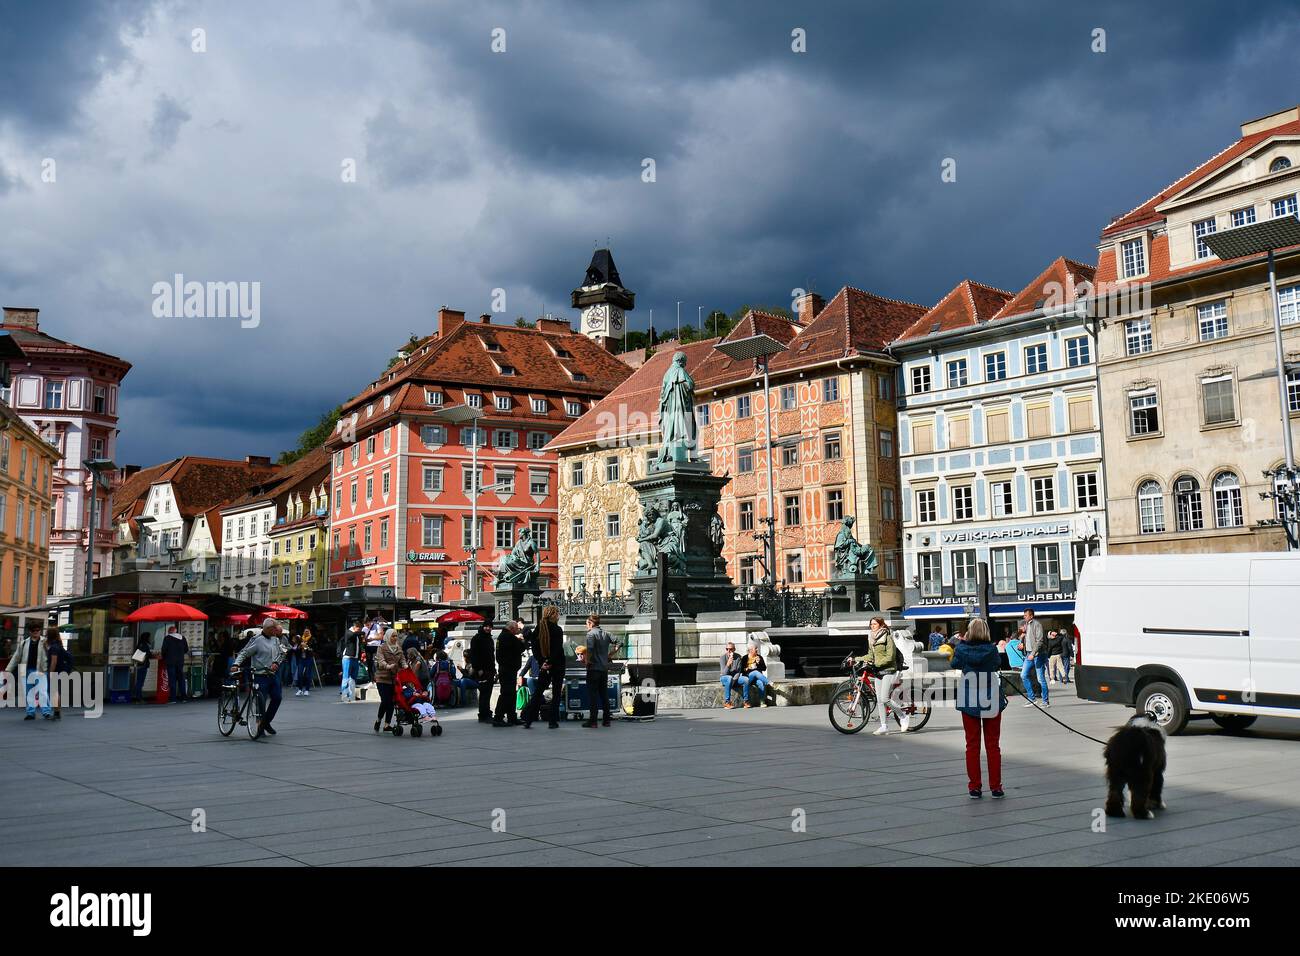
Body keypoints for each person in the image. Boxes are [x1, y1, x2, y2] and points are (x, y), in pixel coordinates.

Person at [952, 617, 1006, 799]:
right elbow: (997, 664)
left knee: (972, 745)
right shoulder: (991, 649)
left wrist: (963, 642)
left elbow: (954, 664)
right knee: (993, 745)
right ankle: (996, 787)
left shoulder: (961, 648)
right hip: (989, 696)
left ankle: (974, 787)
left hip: (969, 697)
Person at [230, 619, 286, 738]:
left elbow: (280, 654)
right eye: (275, 629)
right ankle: (260, 725)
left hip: (273, 674)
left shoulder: (276, 640)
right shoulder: (257, 640)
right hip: (260, 675)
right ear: (269, 629)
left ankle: (266, 722)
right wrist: (236, 664)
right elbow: (244, 653)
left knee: (277, 698)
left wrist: (277, 662)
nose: (276, 631)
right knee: (261, 701)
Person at [521, 605, 566, 730]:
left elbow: (534, 646)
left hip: (543, 666)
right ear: (553, 615)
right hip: (557, 664)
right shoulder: (557, 629)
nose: (558, 616)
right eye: (557, 613)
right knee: (556, 693)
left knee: (538, 692)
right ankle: (552, 721)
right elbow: (557, 649)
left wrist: (542, 662)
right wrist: (550, 661)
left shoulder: (540, 627)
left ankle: (528, 719)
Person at [861, 617, 908, 735]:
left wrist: (877, 663)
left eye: (875, 624)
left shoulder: (887, 637)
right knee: (879, 700)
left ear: (881, 625)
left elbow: (890, 656)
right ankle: (884, 726)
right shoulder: (871, 638)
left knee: (884, 698)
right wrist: (857, 659)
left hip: (888, 670)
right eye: (871, 624)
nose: (872, 626)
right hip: (878, 671)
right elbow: (870, 655)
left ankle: (903, 716)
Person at [6, 625, 51, 720]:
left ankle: (46, 712)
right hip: (26, 670)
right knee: (29, 693)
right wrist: (8, 669)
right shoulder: (23, 643)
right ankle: (31, 712)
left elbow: (51, 654)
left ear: (40, 631)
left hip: (41, 670)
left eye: (38, 630)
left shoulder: (45, 642)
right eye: (33, 630)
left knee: (43, 692)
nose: (36, 632)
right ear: (30, 632)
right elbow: (16, 657)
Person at [581, 613, 618, 728]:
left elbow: (590, 649)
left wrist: (587, 661)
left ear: (591, 623)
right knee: (604, 694)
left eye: (587, 623)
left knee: (593, 695)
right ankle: (606, 720)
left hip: (593, 668)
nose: (586, 625)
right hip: (603, 668)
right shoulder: (606, 633)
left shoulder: (590, 634)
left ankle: (593, 721)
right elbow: (619, 642)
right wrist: (611, 654)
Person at [493, 620, 527, 727]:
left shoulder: (502, 636)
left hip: (506, 669)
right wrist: (522, 640)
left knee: (511, 694)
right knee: (507, 694)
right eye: (517, 628)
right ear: (511, 628)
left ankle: (511, 716)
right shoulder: (509, 637)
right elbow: (521, 647)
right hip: (508, 670)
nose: (518, 630)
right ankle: (498, 717)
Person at [373, 629, 404, 734]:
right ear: (388, 637)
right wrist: (387, 666)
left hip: (393, 679)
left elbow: (402, 659)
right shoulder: (381, 648)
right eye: (393, 636)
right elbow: (380, 660)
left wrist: (405, 665)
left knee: (391, 702)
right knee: (385, 701)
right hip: (382, 678)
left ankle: (387, 725)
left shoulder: (399, 648)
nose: (395, 638)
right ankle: (378, 720)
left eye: (396, 636)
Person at [1019, 609, 1049, 707]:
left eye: (1026, 615)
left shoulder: (1037, 624)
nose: (1024, 617)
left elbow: (1039, 641)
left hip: (1038, 655)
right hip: (1029, 654)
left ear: (1031, 616)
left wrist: (1033, 653)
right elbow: (1029, 640)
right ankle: (1032, 698)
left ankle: (1045, 701)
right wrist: (1022, 646)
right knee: (1023, 675)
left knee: (1040, 679)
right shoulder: (1027, 625)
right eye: (1024, 615)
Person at [468, 624, 497, 723]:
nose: (488, 628)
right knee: (484, 693)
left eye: (490, 626)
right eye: (486, 626)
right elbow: (474, 655)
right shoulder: (477, 638)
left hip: (490, 669)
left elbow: (491, 656)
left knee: (487, 693)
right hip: (482, 671)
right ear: (482, 627)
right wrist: (478, 668)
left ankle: (486, 713)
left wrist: (494, 669)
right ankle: (483, 714)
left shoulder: (489, 638)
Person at [735, 639, 770, 709]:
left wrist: (759, 663)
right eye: (755, 649)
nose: (757, 650)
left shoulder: (759, 657)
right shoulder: (744, 658)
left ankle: (762, 701)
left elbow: (764, 668)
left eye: (757, 648)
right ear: (750, 650)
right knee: (755, 672)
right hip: (748, 678)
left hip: (757, 678)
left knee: (760, 683)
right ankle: (768, 682)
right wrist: (748, 668)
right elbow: (741, 670)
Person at [161, 625, 190, 703]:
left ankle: (173, 698)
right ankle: (183, 697)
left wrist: (164, 657)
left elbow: (163, 650)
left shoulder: (167, 638)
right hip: (180, 661)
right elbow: (186, 649)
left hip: (170, 661)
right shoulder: (182, 638)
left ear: (169, 631)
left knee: (172, 679)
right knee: (181, 679)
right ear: (176, 631)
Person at [45, 633, 69, 720]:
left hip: (55, 671)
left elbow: (53, 661)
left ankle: (56, 712)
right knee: (56, 692)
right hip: (60, 671)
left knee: (55, 692)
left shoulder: (54, 647)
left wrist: (50, 672)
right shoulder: (59, 645)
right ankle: (57, 712)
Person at [719, 641, 743, 709]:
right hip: (724, 678)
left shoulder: (738, 657)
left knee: (746, 680)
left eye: (731, 649)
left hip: (734, 679)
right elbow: (723, 673)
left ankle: (746, 701)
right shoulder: (722, 657)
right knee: (729, 678)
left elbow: (738, 671)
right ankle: (727, 702)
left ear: (734, 649)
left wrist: (734, 680)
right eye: (727, 649)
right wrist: (728, 664)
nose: (729, 651)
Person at [339, 625, 360, 702]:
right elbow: (352, 635)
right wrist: (360, 632)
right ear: (355, 627)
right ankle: (344, 695)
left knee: (353, 678)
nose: (359, 630)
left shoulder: (356, 635)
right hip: (347, 657)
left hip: (355, 658)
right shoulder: (348, 633)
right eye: (358, 629)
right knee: (346, 676)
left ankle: (351, 696)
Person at [132, 632, 153, 703]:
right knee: (140, 682)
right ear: (146, 638)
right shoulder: (144, 645)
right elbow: (148, 654)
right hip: (143, 665)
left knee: (139, 681)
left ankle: (138, 697)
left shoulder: (139, 644)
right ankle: (138, 697)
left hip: (139, 664)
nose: (150, 638)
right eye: (149, 637)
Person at [295, 628, 315, 696]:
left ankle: (307, 690)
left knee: (307, 674)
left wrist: (307, 647)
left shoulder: (312, 639)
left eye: (307, 631)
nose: (306, 632)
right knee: (300, 674)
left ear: (309, 632)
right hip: (301, 658)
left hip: (308, 658)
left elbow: (314, 649)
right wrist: (300, 647)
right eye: (305, 631)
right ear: (303, 632)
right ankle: (300, 689)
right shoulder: (300, 639)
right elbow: (296, 649)